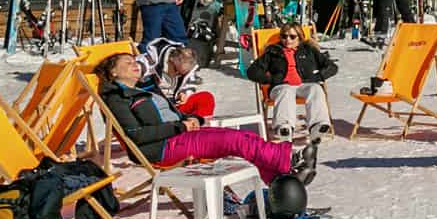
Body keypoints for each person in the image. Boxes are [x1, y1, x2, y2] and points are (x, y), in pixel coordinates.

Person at [96, 51, 312, 185]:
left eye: (134, 60)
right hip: (162, 148)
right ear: (113, 73)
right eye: (126, 63)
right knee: (233, 141)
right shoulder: (116, 98)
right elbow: (136, 136)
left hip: (177, 135)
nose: (134, 63)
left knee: (242, 137)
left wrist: (191, 120)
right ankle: (289, 160)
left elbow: (172, 114)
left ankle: (280, 182)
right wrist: (180, 127)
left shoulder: (145, 89)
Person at [245, 25, 338, 140]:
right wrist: (271, 80)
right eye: (284, 36)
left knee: (316, 89)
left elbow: (332, 67)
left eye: (292, 36)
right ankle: (284, 127)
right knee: (286, 90)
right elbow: (252, 71)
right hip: (280, 87)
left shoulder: (309, 50)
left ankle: (317, 125)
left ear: (300, 37)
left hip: (304, 84)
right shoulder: (273, 52)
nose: (287, 39)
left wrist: (317, 77)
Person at [137, 39, 215, 123]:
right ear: (170, 59)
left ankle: (199, 126)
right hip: (156, 108)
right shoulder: (147, 62)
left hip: (174, 104)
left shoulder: (186, 65)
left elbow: (190, 83)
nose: (177, 74)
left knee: (206, 97)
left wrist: (184, 93)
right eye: (176, 70)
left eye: (182, 74)